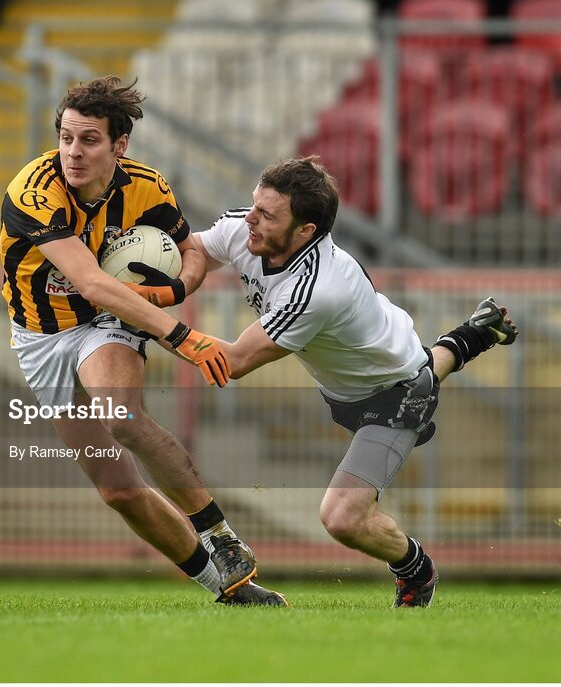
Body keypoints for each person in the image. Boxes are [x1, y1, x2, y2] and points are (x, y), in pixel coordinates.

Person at [0, 75, 286, 606]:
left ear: (119, 144)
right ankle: (225, 587)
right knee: (121, 491)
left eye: (88, 140)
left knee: (121, 416)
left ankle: (220, 536)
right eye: (65, 137)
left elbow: (192, 250)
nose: (73, 152)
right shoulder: (35, 190)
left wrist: (175, 289)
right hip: (39, 338)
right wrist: (182, 334)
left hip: (106, 324)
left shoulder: (146, 186)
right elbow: (90, 281)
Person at [181, 156, 518, 607]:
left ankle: (417, 569)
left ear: (306, 231)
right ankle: (471, 336)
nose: (250, 222)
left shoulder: (318, 289)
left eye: (267, 215)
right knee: (421, 365)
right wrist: (166, 286)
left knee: (342, 518)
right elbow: (196, 251)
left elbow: (236, 361)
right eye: (254, 206)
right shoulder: (248, 228)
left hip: (395, 393)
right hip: (367, 364)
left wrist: (152, 321)